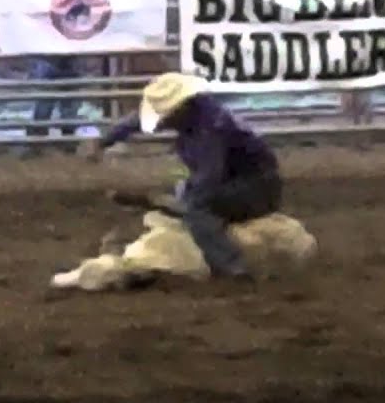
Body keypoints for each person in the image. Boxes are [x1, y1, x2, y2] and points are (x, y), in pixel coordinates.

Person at [86, 72, 282, 281]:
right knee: (186, 191)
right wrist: (104, 140)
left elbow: (208, 179)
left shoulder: (210, 130)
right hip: (244, 180)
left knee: (196, 206)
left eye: (164, 115)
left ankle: (232, 266)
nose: (160, 121)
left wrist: (170, 201)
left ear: (178, 109)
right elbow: (135, 121)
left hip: (256, 188)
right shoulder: (199, 114)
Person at [30, 0, 82, 137]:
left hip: (72, 44)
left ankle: (68, 141)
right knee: (44, 98)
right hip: (45, 44)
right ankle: (38, 141)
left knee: (70, 100)